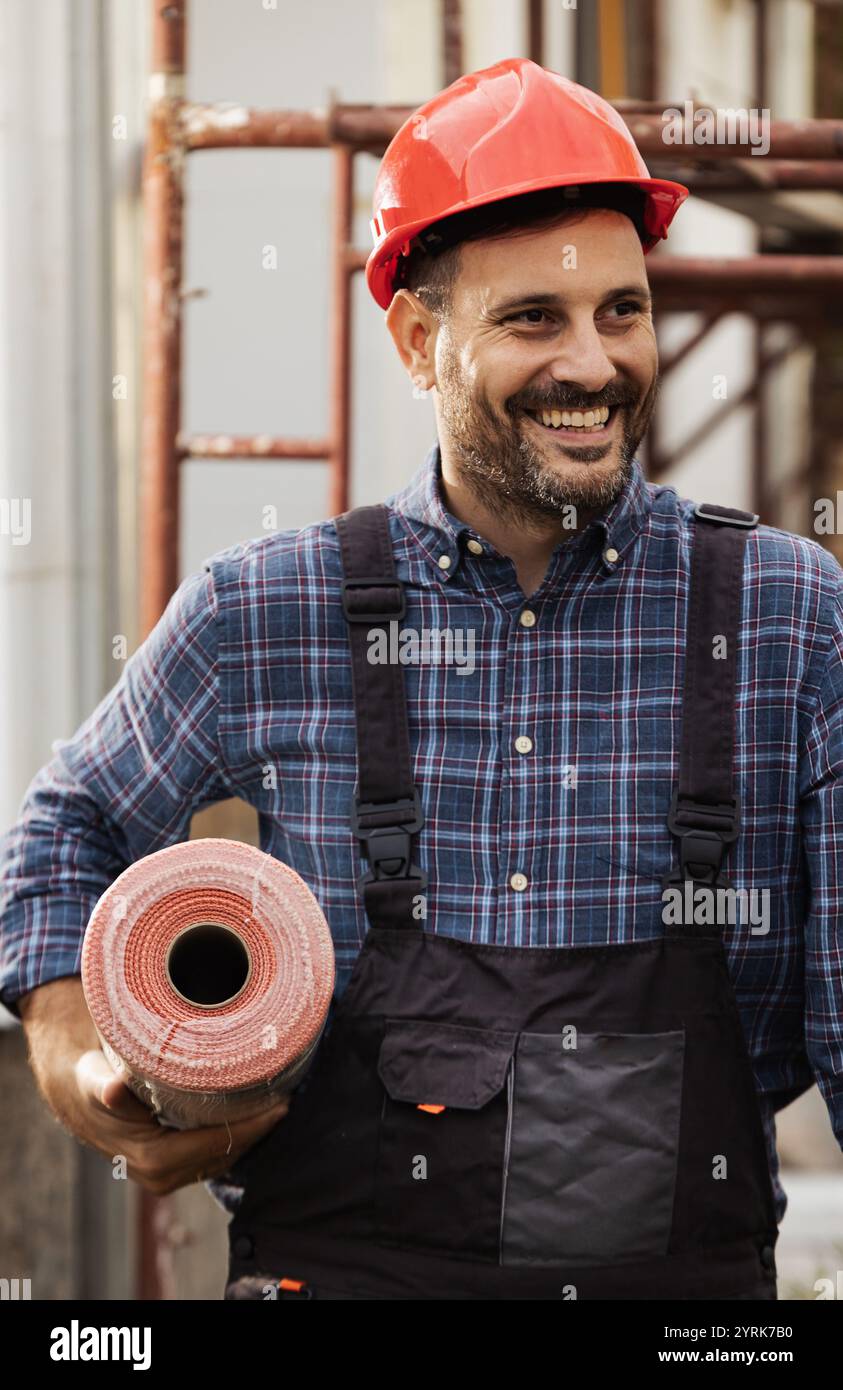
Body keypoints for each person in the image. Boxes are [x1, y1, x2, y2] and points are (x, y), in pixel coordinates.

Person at [2, 58, 842, 1301]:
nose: (594, 365)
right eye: (532, 320)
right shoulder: (267, 611)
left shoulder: (788, 619)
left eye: (622, 310)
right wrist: (84, 1059)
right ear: (416, 336)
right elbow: (62, 830)